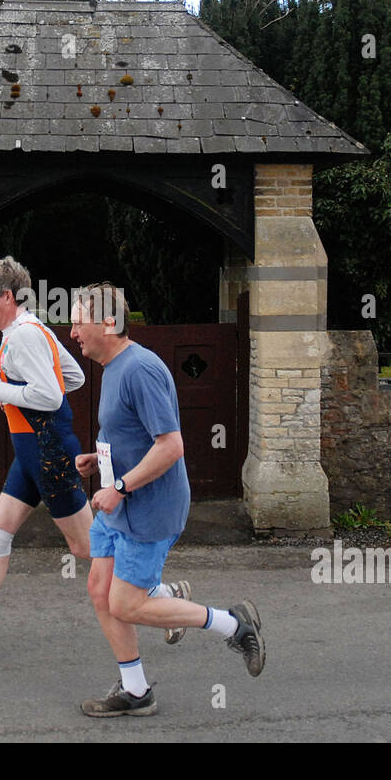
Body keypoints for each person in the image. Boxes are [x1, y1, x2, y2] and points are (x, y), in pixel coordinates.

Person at [0, 258, 191, 661]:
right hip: (31, 452)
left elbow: (50, 396)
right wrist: (17, 393)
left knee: (87, 547)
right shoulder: (30, 330)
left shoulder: (25, 336)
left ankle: (165, 598)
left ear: (7, 296)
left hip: (46, 453)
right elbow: (73, 378)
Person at [70, 282, 265, 717]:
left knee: (126, 604)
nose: (72, 332)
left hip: (148, 510)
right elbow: (130, 433)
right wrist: (99, 460)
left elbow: (170, 445)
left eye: (78, 321)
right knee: (100, 589)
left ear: (107, 322)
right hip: (116, 505)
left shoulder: (140, 368)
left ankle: (234, 624)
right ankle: (136, 691)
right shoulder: (114, 367)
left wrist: (119, 487)